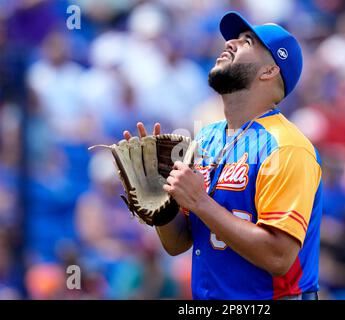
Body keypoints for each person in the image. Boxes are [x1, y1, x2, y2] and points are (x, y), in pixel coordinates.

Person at [123, 11, 323, 300]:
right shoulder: (207, 138)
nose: (230, 42)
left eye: (247, 41)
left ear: (269, 71)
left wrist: (199, 201)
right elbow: (179, 242)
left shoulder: (287, 146)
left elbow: (280, 258)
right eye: (234, 38)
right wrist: (159, 203)